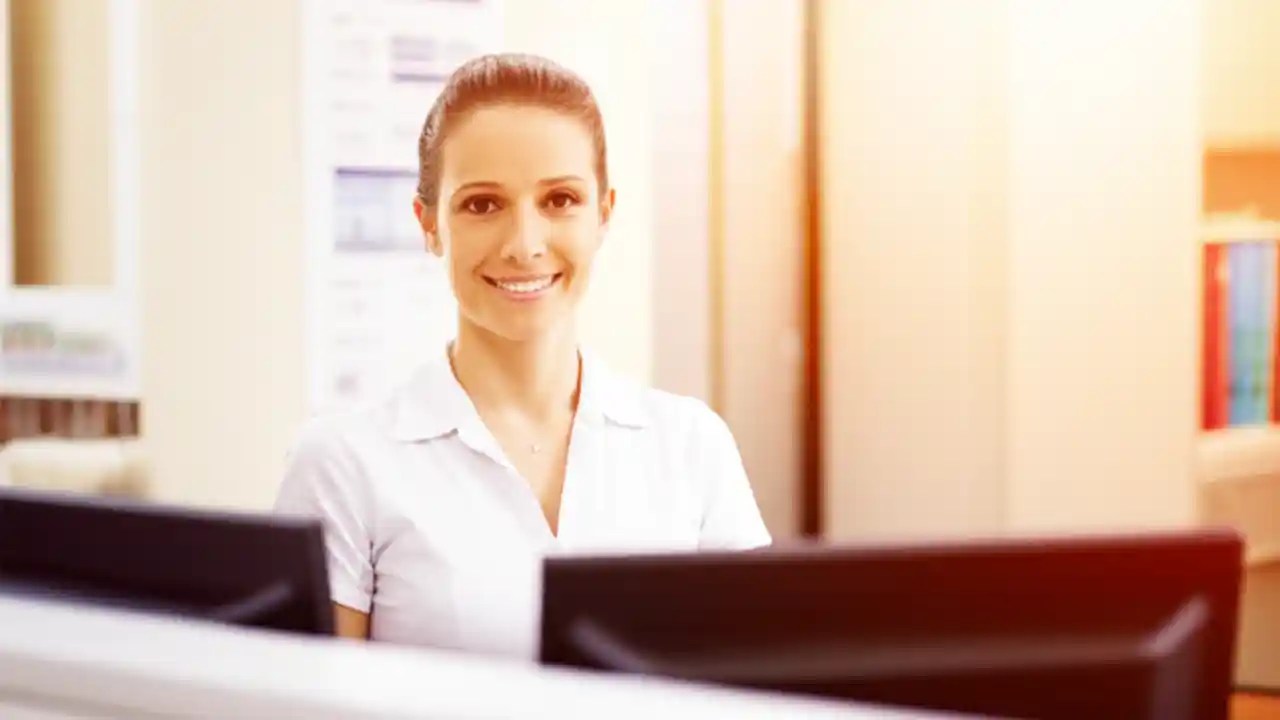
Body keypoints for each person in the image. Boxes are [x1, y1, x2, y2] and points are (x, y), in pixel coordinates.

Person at [274, 53, 770, 659]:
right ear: (429, 224)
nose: (524, 245)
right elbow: (306, 697)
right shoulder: (343, 463)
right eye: (483, 205)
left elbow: (755, 684)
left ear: (603, 215)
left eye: (560, 200)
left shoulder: (692, 445)